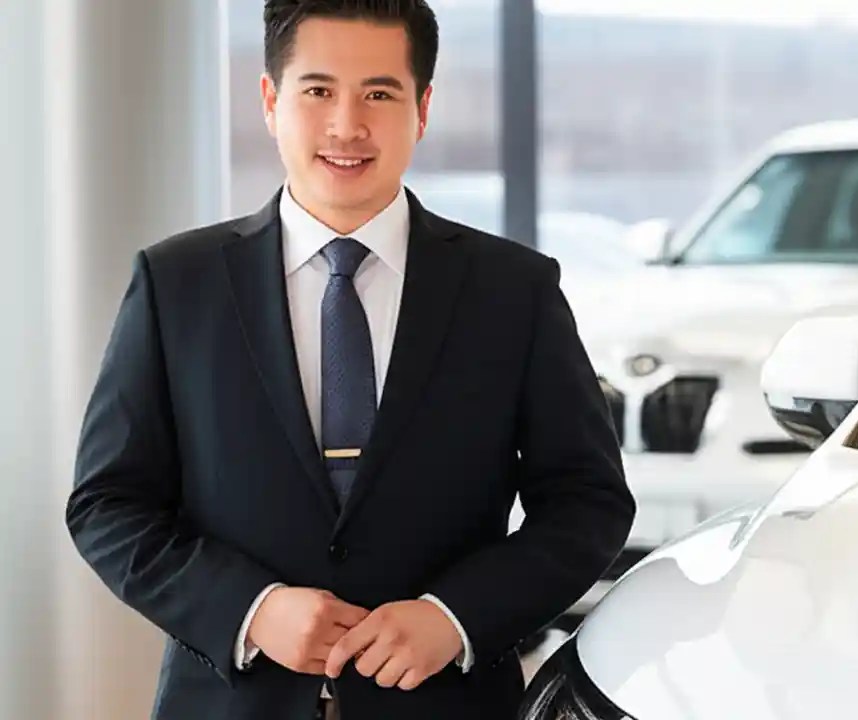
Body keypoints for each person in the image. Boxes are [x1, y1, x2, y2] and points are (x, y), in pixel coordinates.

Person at [63, 1, 634, 718]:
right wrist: (252, 611)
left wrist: (455, 618)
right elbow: (108, 505)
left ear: (422, 108)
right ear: (271, 101)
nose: (346, 125)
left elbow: (587, 503)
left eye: (379, 93)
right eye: (318, 90)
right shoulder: (178, 284)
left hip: (445, 702)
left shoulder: (513, 290)